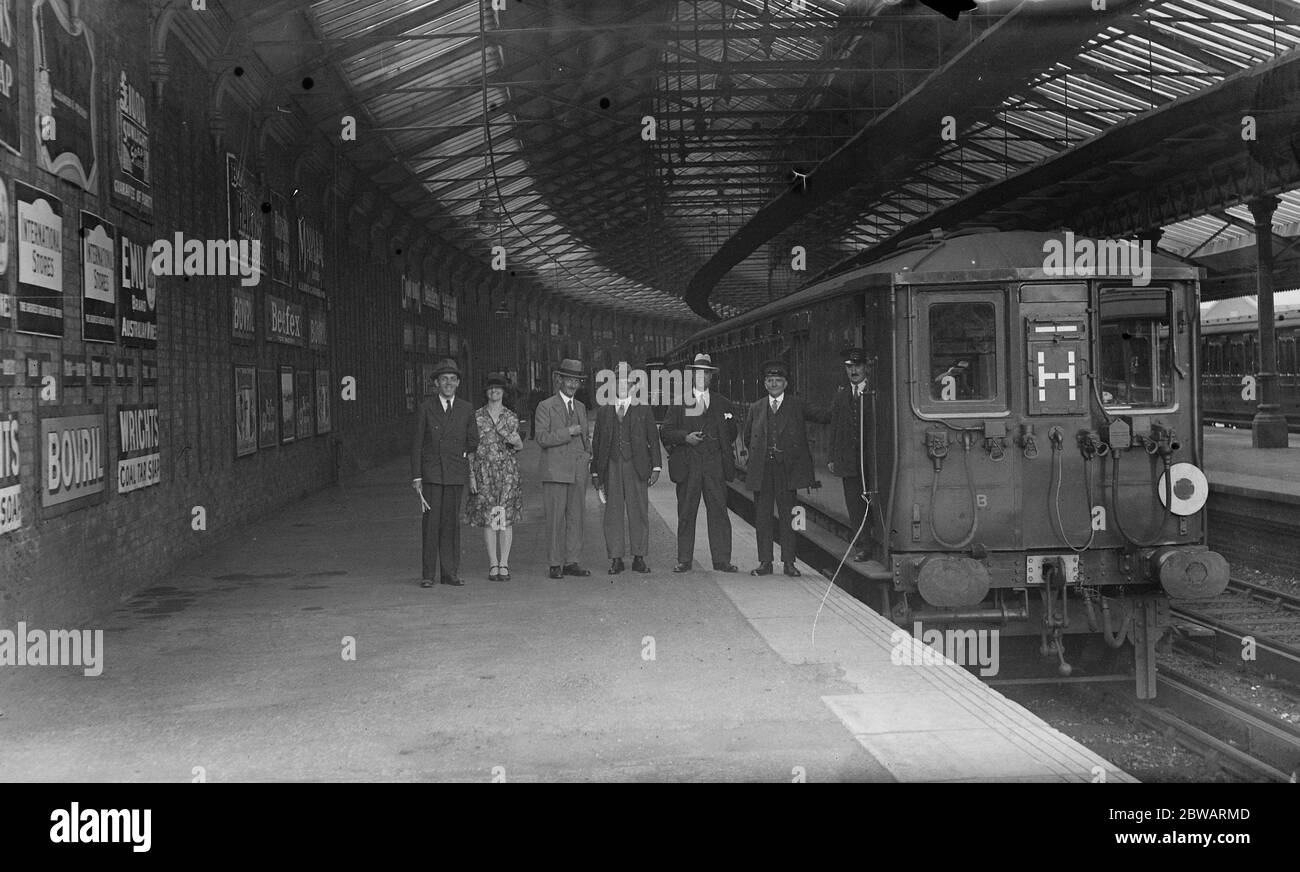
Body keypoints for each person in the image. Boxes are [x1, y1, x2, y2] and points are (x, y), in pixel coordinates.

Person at [661, 353, 739, 573]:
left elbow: (732, 432)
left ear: (711, 377)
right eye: (697, 373)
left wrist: (716, 445)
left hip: (714, 464)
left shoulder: (723, 403)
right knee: (686, 512)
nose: (701, 377)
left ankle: (721, 560)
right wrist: (685, 437)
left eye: (706, 373)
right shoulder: (679, 402)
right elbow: (665, 431)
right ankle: (684, 559)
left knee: (719, 512)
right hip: (689, 464)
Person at [742, 360, 817, 577]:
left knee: (790, 516)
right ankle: (765, 562)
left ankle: (789, 563)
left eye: (778, 381)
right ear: (765, 384)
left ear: (785, 384)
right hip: (763, 471)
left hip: (788, 471)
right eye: (770, 380)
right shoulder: (756, 407)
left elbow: (821, 415)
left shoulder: (796, 405)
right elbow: (748, 437)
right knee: (763, 517)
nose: (774, 384)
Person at [411, 358, 478, 587]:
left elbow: (473, 440)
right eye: (444, 379)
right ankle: (428, 574)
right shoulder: (426, 407)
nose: (448, 383)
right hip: (431, 474)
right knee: (431, 524)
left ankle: (449, 573)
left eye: (452, 379)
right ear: (436, 383)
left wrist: (461, 452)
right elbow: (417, 443)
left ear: (458, 383)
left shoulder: (466, 408)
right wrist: (417, 476)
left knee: (451, 524)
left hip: (454, 473)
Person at [591, 363, 662, 575]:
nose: (623, 387)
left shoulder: (644, 409)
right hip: (611, 465)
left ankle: (639, 557)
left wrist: (656, 466)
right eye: (618, 383)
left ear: (633, 386)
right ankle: (616, 558)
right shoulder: (604, 412)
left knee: (638, 510)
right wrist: (596, 471)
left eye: (627, 383)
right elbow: (597, 443)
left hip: (636, 465)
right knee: (612, 513)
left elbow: (653, 439)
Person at [536, 358, 592, 579]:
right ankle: (554, 563)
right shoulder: (545, 406)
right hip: (555, 471)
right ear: (560, 379)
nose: (572, 384)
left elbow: (585, 437)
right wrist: (567, 431)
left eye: (576, 381)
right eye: (569, 379)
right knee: (555, 519)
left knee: (576, 517)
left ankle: (572, 561)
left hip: (578, 471)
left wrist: (588, 455)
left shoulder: (580, 407)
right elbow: (541, 437)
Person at [464, 374, 524, 581]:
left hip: (507, 473)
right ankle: (493, 564)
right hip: (484, 473)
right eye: (490, 389)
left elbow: (517, 446)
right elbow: (470, 449)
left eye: (498, 388)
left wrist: (516, 442)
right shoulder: (476, 417)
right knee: (490, 520)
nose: (494, 392)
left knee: (505, 519)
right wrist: (471, 475)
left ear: (504, 392)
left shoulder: (511, 417)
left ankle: (504, 563)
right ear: (486, 392)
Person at [828, 347, 873, 561]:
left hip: (871, 461)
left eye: (857, 366)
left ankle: (876, 540)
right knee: (854, 506)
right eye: (850, 367)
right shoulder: (841, 395)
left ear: (865, 368)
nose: (853, 371)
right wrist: (831, 457)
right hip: (848, 461)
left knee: (872, 502)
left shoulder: (875, 392)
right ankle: (862, 547)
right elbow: (834, 427)